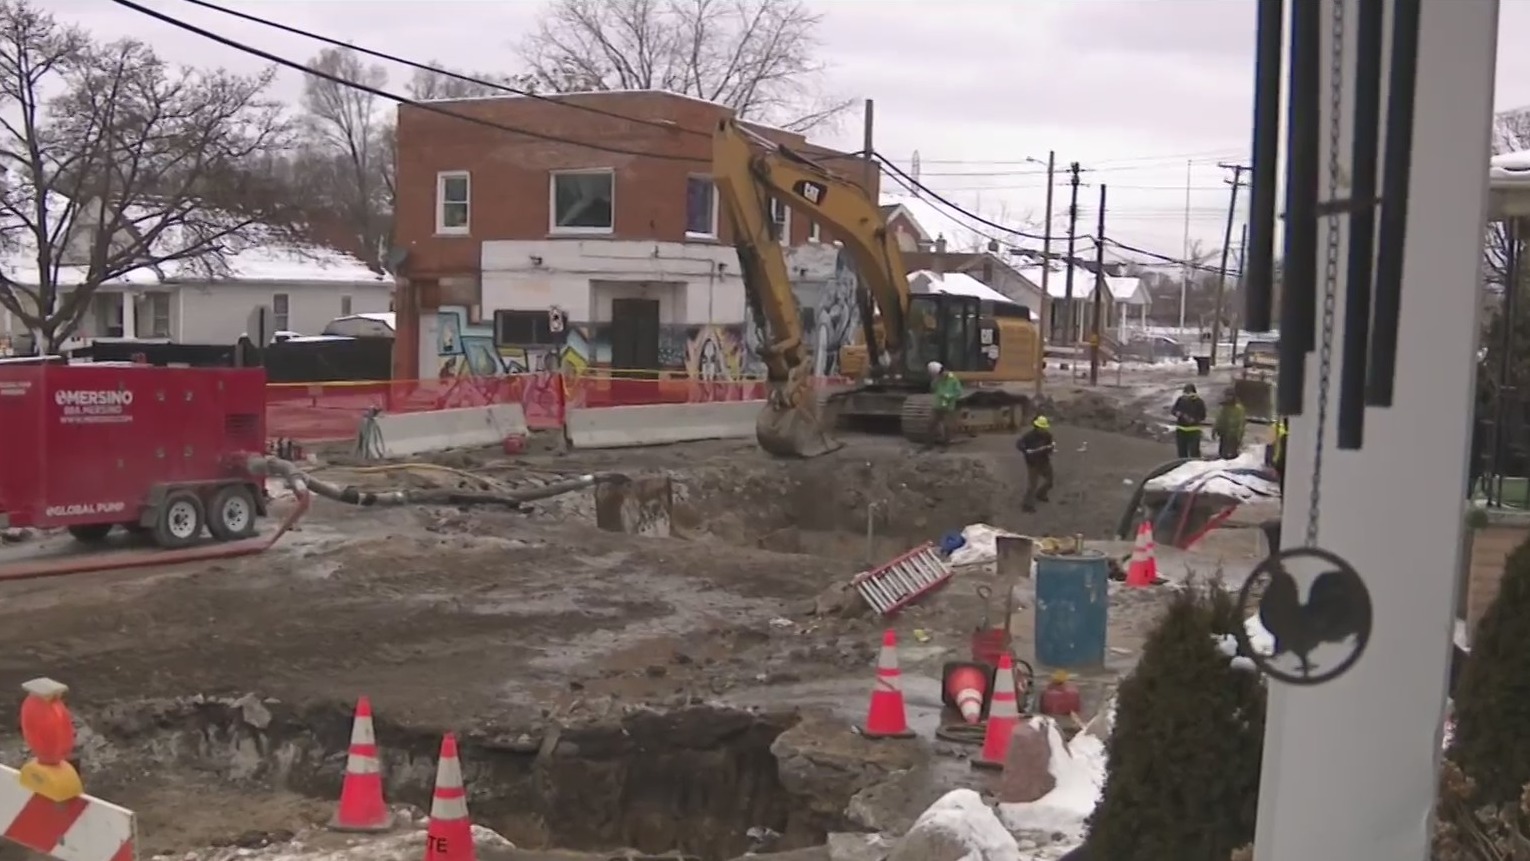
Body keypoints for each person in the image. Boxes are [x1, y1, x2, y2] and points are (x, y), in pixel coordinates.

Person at [1017, 415, 1056, 513]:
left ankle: (1041, 494)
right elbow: (1019, 444)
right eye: (1042, 428)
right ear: (1037, 427)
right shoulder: (1029, 436)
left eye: (1044, 428)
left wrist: (1050, 448)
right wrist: (1025, 450)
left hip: (1044, 461)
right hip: (1033, 463)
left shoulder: (1047, 436)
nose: (1043, 430)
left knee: (1050, 481)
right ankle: (1027, 505)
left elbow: (1050, 446)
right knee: (1032, 486)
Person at [928, 360, 963, 445]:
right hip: (938, 405)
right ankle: (929, 443)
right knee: (931, 424)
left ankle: (946, 443)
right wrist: (935, 380)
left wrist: (950, 395)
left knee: (948, 426)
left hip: (948, 406)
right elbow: (933, 388)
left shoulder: (953, 379)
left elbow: (959, 392)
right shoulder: (938, 379)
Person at [1169, 383, 1207, 458]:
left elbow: (1203, 415)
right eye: (1186, 393)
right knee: (1182, 452)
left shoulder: (1199, 402)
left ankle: (1196, 466)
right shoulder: (1181, 400)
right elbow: (1173, 410)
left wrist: (1194, 419)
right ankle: (1183, 466)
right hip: (1181, 430)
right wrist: (1177, 413)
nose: (1187, 395)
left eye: (1189, 393)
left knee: (1194, 452)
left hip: (1194, 431)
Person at [1213, 391, 1247, 460]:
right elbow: (1219, 419)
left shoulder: (1238, 409)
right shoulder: (1223, 407)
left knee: (1232, 455)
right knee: (1222, 454)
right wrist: (1214, 429)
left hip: (1233, 435)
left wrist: (1239, 435)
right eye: (1227, 396)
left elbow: (1241, 422)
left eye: (1230, 396)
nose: (1228, 398)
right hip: (1224, 434)